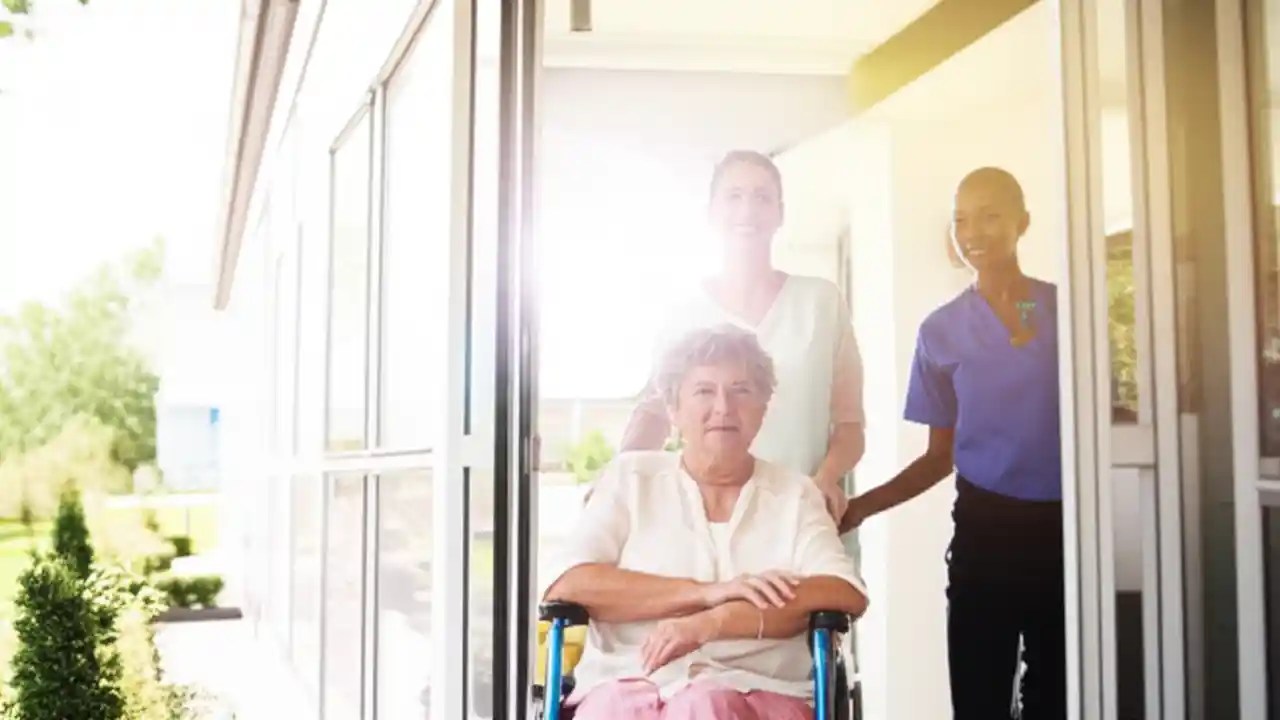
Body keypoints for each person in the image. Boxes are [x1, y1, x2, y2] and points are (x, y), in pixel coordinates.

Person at [545, 325, 868, 720]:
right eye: (703, 391)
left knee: (705, 706)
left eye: (741, 390)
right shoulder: (630, 479)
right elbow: (569, 581)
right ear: (673, 409)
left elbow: (843, 591)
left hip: (759, 690)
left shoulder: (794, 495)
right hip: (628, 684)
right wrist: (708, 592)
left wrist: (714, 623)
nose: (723, 408)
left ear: (763, 407)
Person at [840, 167, 1066, 719]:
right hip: (984, 536)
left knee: (1055, 698)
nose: (975, 232)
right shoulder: (940, 331)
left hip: (1064, 534)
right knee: (979, 699)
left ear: (1023, 222)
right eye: (962, 218)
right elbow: (939, 457)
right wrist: (860, 507)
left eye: (991, 214)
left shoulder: (1059, 310)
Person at [621, 150, 865, 522]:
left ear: (779, 213)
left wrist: (825, 480)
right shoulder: (682, 312)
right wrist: (614, 484)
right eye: (733, 196)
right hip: (706, 522)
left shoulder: (821, 303)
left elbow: (849, 425)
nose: (747, 210)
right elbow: (654, 413)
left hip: (801, 517)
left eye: (762, 197)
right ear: (711, 212)